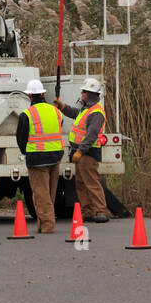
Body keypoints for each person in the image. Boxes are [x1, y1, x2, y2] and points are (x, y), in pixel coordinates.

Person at [15, 78, 66, 233]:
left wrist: (26, 152)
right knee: (50, 193)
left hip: (37, 158)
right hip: (56, 156)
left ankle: (48, 225)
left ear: (30, 96)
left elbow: (21, 138)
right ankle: (42, 223)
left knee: (40, 193)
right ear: (43, 93)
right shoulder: (56, 112)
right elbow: (58, 128)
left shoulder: (27, 114)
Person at [56, 76, 109, 223]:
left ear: (90, 94)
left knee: (91, 182)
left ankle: (100, 211)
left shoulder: (96, 112)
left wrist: (81, 151)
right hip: (80, 152)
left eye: (84, 92)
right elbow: (75, 114)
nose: (82, 95)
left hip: (88, 154)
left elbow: (91, 134)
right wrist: (63, 107)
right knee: (80, 183)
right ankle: (88, 212)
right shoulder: (87, 109)